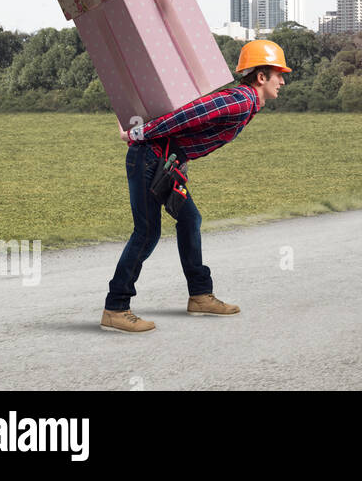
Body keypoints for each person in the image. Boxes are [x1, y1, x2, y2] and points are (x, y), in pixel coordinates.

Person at [100, 40, 291, 334]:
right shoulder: (240, 100)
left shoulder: (247, 104)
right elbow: (188, 115)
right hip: (149, 157)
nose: (283, 79)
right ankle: (116, 307)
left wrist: (180, 163)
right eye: (278, 73)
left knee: (190, 219)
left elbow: (193, 130)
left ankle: (200, 295)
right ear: (261, 77)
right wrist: (137, 134)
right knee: (147, 232)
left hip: (164, 161)